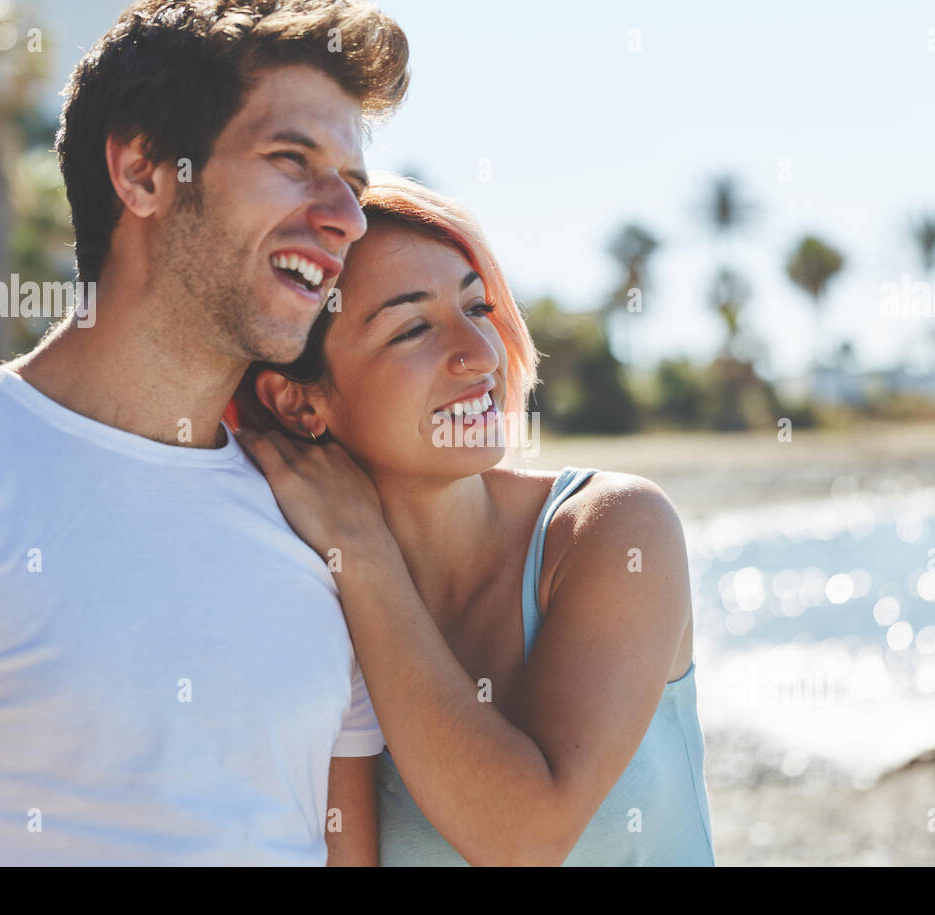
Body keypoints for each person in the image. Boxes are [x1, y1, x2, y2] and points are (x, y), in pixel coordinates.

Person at [0, 0, 409, 866]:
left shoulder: (327, 528)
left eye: (354, 189)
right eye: (293, 160)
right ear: (142, 172)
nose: (346, 219)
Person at [232, 175, 717, 865]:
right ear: (298, 404)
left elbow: (527, 835)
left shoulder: (612, 531)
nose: (482, 356)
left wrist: (364, 549)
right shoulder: (305, 598)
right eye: (413, 328)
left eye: (477, 306)